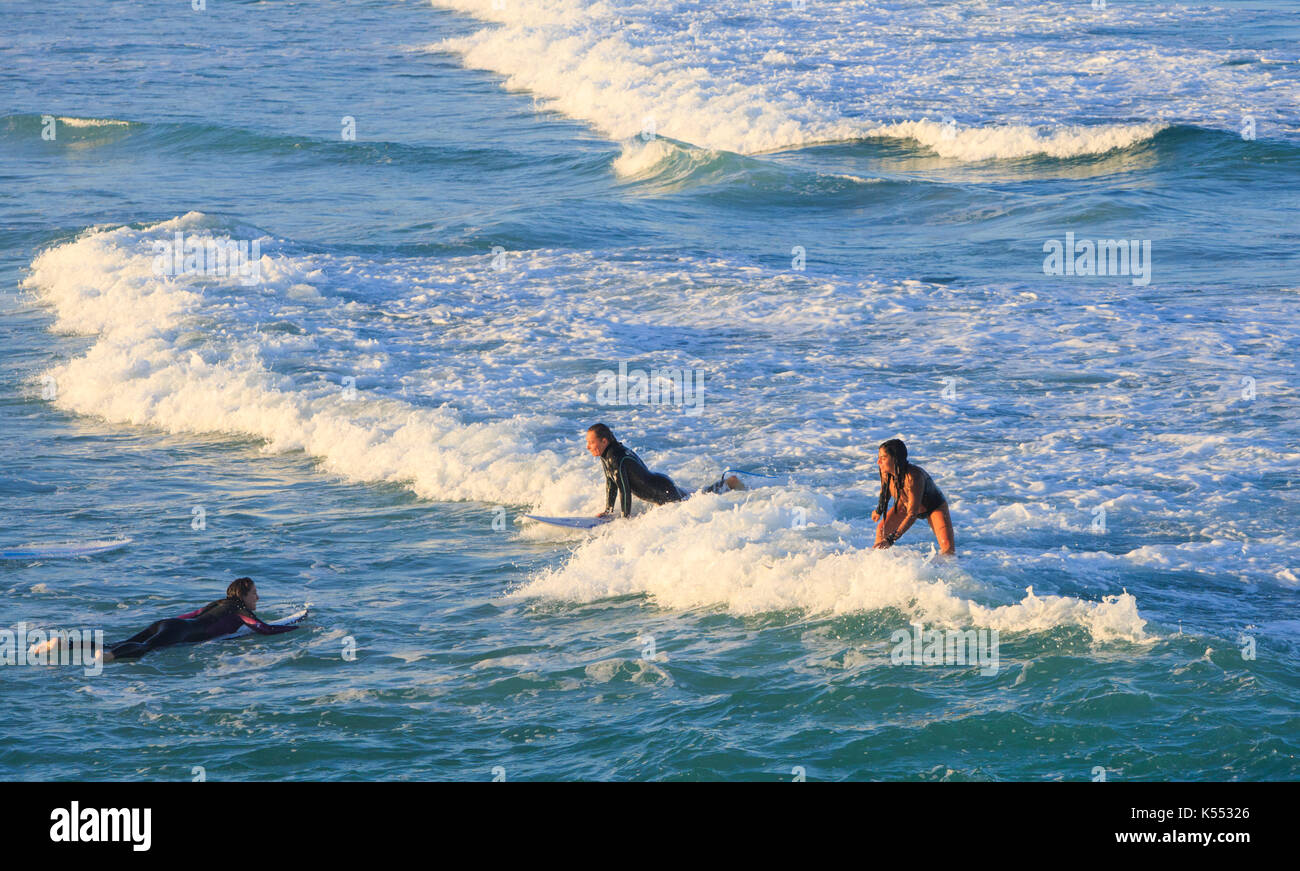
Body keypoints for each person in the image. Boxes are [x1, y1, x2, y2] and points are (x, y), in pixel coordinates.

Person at [31, 577, 298, 663]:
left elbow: (188, 616)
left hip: (169, 623)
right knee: (144, 649)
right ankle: (107, 657)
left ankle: (63, 644)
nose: (258, 598)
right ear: (244, 594)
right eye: (255, 593)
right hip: (179, 633)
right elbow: (264, 629)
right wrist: (296, 627)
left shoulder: (217, 603)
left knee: (123, 640)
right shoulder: (240, 610)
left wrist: (168, 624)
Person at [585, 423, 744, 519]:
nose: (588, 447)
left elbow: (624, 490)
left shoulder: (615, 457)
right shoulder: (607, 453)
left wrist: (624, 519)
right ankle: (726, 484)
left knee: (699, 500)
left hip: (663, 491)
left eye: (591, 442)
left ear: (604, 441)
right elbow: (611, 483)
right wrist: (608, 510)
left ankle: (730, 483)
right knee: (695, 496)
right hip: (662, 485)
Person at [872, 438, 956, 555]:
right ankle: (879, 566)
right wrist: (879, 509)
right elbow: (885, 490)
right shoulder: (885, 471)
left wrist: (891, 540)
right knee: (882, 530)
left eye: (883, 458)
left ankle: (949, 571)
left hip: (933, 507)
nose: (878, 462)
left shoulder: (913, 477)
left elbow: (912, 513)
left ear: (895, 459)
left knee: (948, 549)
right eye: (879, 457)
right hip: (904, 504)